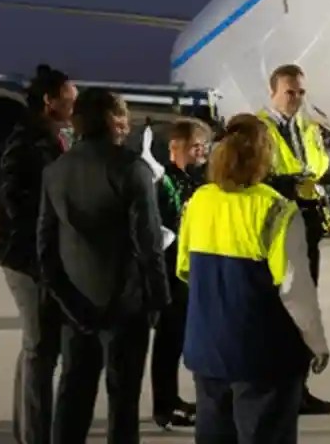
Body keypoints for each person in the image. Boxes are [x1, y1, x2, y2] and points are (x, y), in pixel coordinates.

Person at [177, 113, 330, 443]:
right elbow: (294, 290)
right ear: (265, 156)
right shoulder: (277, 210)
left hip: (207, 350)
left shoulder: (198, 202)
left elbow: (185, 268)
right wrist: (316, 343)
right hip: (263, 355)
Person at [38, 88, 171, 444]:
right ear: (112, 121)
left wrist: (67, 301)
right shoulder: (131, 169)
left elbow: (46, 249)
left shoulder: (55, 171)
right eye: (122, 118)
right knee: (123, 402)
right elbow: (148, 243)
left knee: (73, 394)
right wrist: (159, 298)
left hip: (76, 302)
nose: (126, 127)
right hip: (126, 305)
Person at [0, 63, 77, 444]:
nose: (75, 105)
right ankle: (34, 436)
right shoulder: (27, 143)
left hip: (40, 258)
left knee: (37, 348)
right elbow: (17, 204)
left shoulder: (49, 137)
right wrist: (41, 256)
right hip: (30, 262)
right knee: (40, 350)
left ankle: (30, 431)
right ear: (50, 101)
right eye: (70, 99)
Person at [256, 63, 330, 415]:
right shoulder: (257, 128)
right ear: (273, 91)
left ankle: (297, 388)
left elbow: (319, 163)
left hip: (306, 220)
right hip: (275, 222)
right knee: (275, 308)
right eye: (291, 92)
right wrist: (290, 180)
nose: (297, 98)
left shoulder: (308, 126)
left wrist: (307, 176)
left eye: (301, 92)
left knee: (304, 305)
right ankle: (270, 388)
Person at [149, 117, 210, 429]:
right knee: (168, 341)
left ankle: (171, 398)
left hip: (189, 267)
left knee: (177, 339)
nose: (201, 152)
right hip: (171, 270)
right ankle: (163, 404)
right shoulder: (165, 181)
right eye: (195, 146)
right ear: (176, 148)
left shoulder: (193, 179)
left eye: (203, 146)